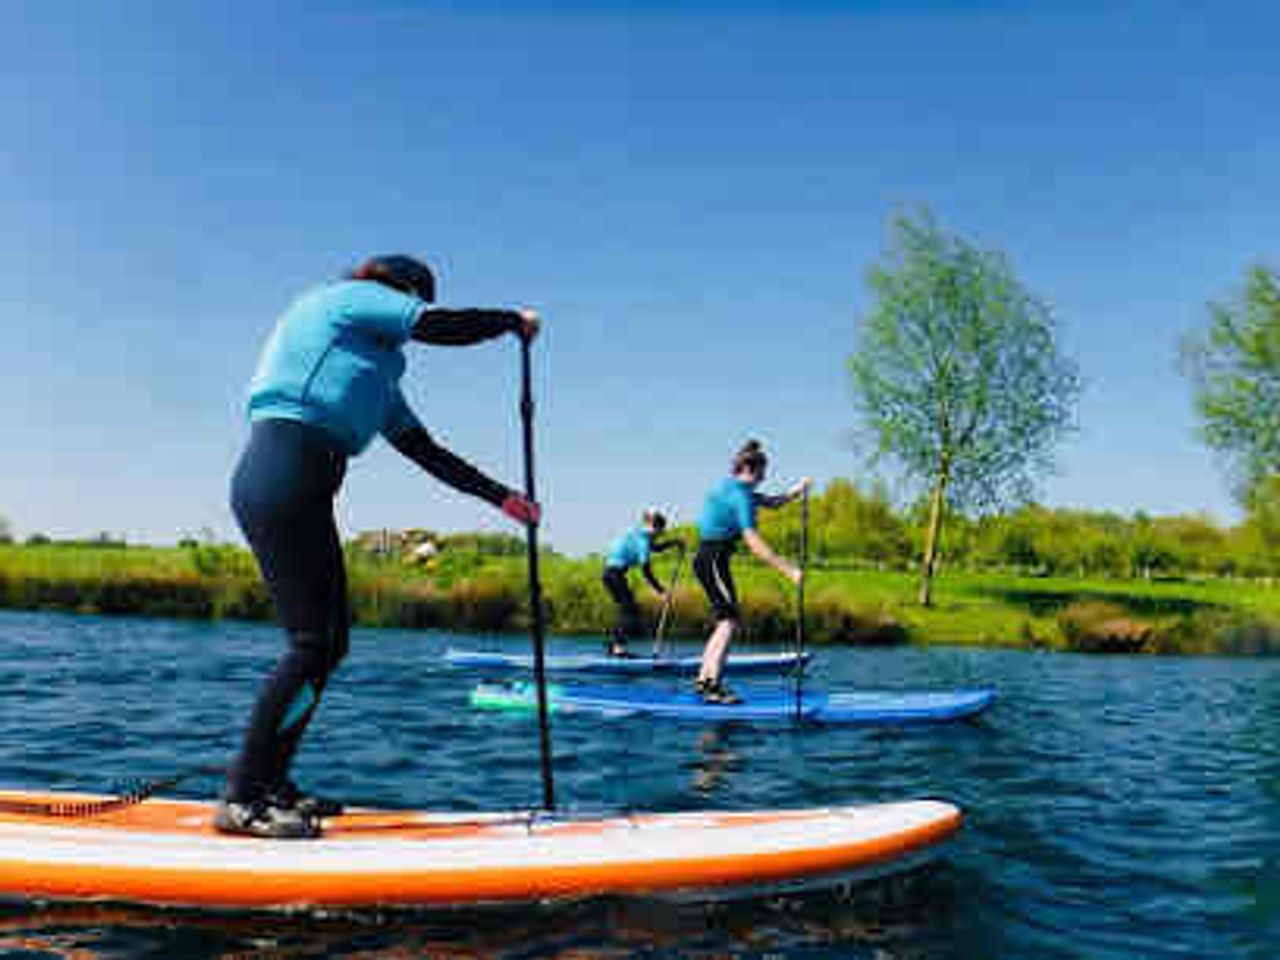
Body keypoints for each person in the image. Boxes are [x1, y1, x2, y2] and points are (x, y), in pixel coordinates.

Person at [219, 254, 540, 839]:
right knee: (312, 643)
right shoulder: (341, 299)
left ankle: (271, 782)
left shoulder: (375, 375)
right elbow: (441, 326)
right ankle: (242, 799)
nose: (410, 321)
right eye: (412, 304)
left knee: (329, 644)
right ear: (397, 293)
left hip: (304, 485)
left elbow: (428, 452)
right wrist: (509, 321)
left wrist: (503, 499)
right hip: (279, 471)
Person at [693, 440, 809, 704]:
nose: (764, 477)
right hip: (712, 558)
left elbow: (772, 502)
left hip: (710, 559)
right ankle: (712, 687)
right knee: (729, 621)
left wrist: (797, 491)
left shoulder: (733, 487)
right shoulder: (741, 495)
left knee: (725, 620)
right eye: (762, 472)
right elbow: (754, 543)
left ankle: (704, 680)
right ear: (748, 468)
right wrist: (789, 570)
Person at [601, 509, 680, 657]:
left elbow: (655, 548)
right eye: (659, 532)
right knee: (630, 610)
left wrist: (673, 543)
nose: (659, 535)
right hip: (614, 574)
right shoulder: (642, 541)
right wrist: (662, 592)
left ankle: (614, 646)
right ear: (654, 529)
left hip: (612, 574)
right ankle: (617, 648)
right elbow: (646, 572)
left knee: (628, 609)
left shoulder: (639, 534)